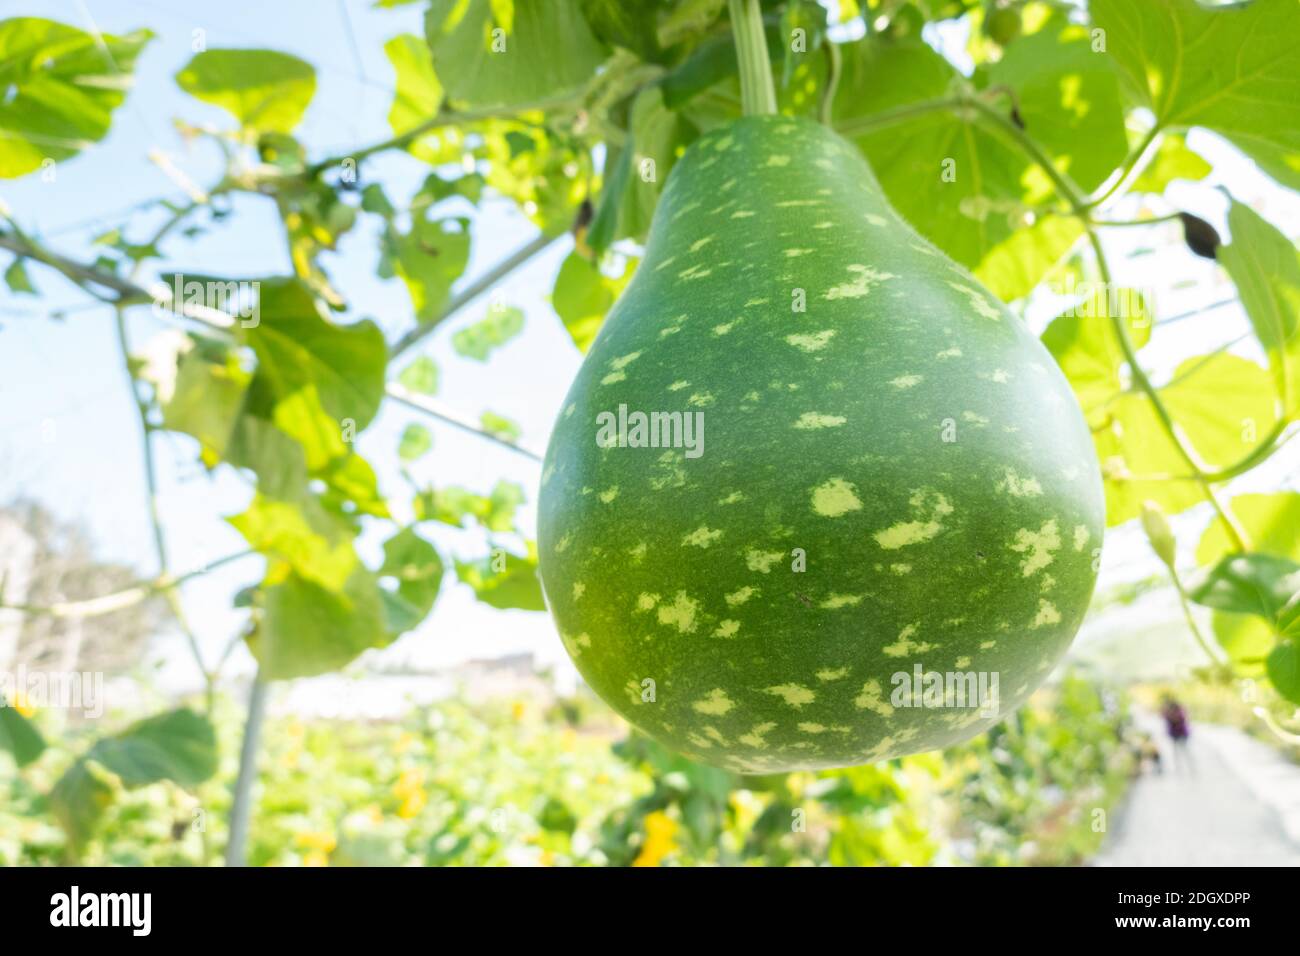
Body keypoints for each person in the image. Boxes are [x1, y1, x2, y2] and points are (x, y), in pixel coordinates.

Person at [1160, 694, 1194, 775]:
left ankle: (1188, 768)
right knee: (1178, 751)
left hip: (1181, 733)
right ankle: (1180, 769)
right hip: (1176, 733)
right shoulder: (1170, 712)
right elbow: (1163, 716)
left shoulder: (1179, 711)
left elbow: (1181, 718)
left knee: (1184, 751)